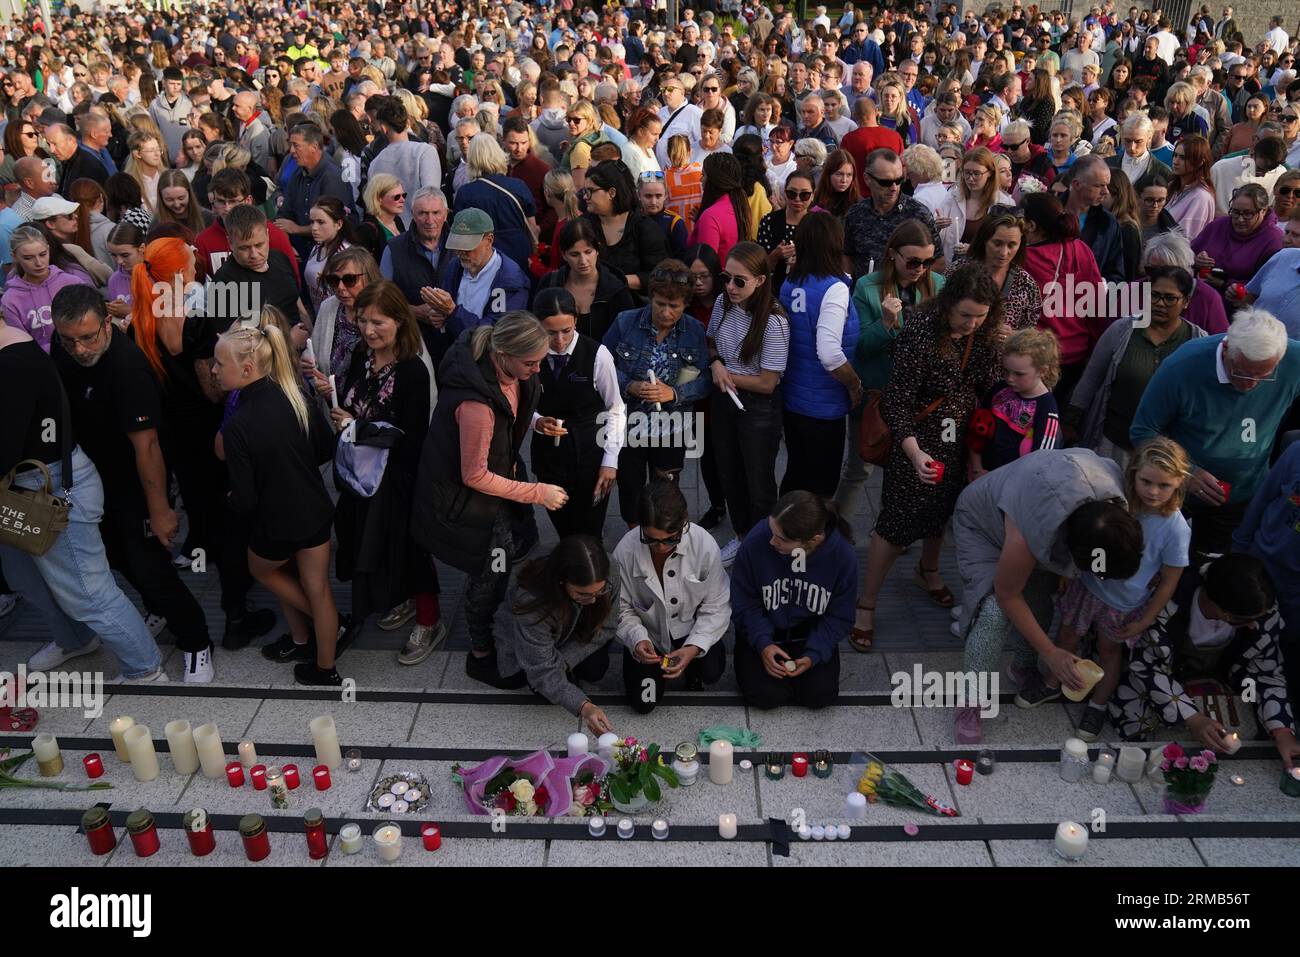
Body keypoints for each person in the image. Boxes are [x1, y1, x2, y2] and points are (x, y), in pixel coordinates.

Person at [48, 284, 216, 682]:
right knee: (117, 559)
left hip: (134, 485)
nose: (80, 349)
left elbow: (148, 447)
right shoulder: (64, 347)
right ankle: (156, 608)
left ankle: (196, 640)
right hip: (92, 480)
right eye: (70, 340)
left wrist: (160, 511)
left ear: (108, 323)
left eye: (88, 338)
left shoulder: (128, 368)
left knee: (151, 565)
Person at [0, 317, 166, 682]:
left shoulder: (14, 361)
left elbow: (6, 445)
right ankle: (75, 638)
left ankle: (145, 670)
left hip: (49, 488)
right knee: (28, 577)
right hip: (19, 488)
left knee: (87, 591)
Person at [854, 263, 1003, 653]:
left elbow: (984, 385)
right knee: (895, 523)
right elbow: (898, 403)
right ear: (948, 304)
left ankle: (929, 571)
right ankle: (866, 605)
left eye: (980, 316)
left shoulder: (985, 334)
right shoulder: (919, 330)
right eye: (965, 315)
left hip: (960, 440)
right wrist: (915, 451)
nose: (972, 323)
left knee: (941, 512)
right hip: (916, 441)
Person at [412, 313, 566, 689]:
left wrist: (535, 421)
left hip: (494, 484)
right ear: (503, 354)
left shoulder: (500, 370)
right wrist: (539, 493)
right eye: (530, 362)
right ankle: (480, 654)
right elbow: (475, 476)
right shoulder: (475, 406)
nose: (537, 368)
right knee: (489, 574)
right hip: (469, 500)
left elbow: (508, 408)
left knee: (501, 558)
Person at [952, 447, 1144, 743]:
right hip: (983, 525)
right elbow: (1008, 595)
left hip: (1040, 505)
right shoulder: (1030, 527)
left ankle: (1023, 666)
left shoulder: (1115, 497)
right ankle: (970, 702)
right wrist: (1052, 652)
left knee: (1041, 599)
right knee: (993, 613)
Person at [1018, 438, 1191, 741]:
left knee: (1108, 652)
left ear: (1179, 483)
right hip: (1087, 588)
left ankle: (1098, 705)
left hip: (1124, 604)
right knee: (1066, 636)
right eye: (1146, 481)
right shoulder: (1119, 500)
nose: (1153, 491)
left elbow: (1169, 580)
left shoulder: (1175, 528)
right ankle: (1050, 683)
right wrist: (1071, 574)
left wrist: (1146, 619)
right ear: (1133, 473)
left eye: (1164, 485)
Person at [312, 281, 443, 666]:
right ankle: (398, 599)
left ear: (400, 321)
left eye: (379, 322)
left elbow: (411, 437)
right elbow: (354, 402)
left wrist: (356, 425)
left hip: (398, 479)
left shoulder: (413, 371)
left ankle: (429, 620)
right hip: (361, 479)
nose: (369, 330)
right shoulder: (360, 356)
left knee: (411, 549)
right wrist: (333, 401)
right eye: (364, 321)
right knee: (377, 546)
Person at [215, 320, 343, 687]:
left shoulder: (239, 423)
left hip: (276, 522)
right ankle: (325, 667)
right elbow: (325, 449)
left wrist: (233, 497)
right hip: (316, 509)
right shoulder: (297, 395)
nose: (213, 370)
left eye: (219, 364)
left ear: (247, 368)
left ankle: (325, 627)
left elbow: (246, 499)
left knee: (264, 571)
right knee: (319, 589)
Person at [1131, 308, 1300, 561]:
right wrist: (1186, 472)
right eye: (1241, 372)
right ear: (1226, 349)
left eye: (1263, 376)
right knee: (1154, 556)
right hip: (1174, 493)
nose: (1250, 384)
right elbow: (1142, 430)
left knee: (1208, 564)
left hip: (1241, 495)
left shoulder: (1294, 359)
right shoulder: (1182, 367)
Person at [1111, 553, 1298, 765]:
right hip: (1163, 674)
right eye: (1242, 620)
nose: (1252, 626)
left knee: (1245, 722)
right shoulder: (1169, 603)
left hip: (1219, 677)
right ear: (1222, 611)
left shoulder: (1260, 612)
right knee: (1138, 716)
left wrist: (1282, 732)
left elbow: (1266, 674)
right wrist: (1193, 719)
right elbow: (1146, 666)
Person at [602, 261, 712, 526]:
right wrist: (629, 385)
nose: (665, 312)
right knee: (630, 489)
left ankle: (662, 537)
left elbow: (706, 380)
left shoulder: (695, 330)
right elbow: (601, 364)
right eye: (660, 303)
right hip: (629, 424)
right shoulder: (625, 322)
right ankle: (634, 538)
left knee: (666, 492)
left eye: (673, 306)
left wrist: (673, 393)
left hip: (671, 428)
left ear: (685, 305)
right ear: (650, 297)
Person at [1069, 265, 1207, 469]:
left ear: (1186, 301)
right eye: (1155, 295)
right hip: (1113, 443)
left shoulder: (1197, 342)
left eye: (1170, 298)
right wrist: (1071, 421)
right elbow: (1091, 378)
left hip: (1167, 455)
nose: (1160, 303)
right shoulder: (1122, 331)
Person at [731, 491, 858, 710]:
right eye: (771, 531)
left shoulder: (842, 556)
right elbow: (744, 603)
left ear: (814, 540)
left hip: (810, 633)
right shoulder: (757, 540)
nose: (771, 541)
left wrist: (814, 654)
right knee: (766, 696)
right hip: (763, 627)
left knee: (819, 696)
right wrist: (763, 643)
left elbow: (840, 616)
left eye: (782, 539)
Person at [612, 479, 731, 710]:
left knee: (711, 670)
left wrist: (693, 647)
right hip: (649, 635)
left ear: (684, 522)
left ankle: (694, 670)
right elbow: (619, 607)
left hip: (689, 630)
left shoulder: (705, 545)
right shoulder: (625, 551)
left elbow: (717, 604)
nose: (661, 547)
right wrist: (637, 639)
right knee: (643, 704)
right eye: (651, 539)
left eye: (671, 539)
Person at [707, 240, 789, 564]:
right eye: (726, 277)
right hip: (724, 402)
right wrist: (715, 363)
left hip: (757, 408)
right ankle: (742, 536)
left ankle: (763, 545)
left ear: (760, 281)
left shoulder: (774, 321)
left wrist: (728, 376)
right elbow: (712, 339)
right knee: (729, 475)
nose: (730, 286)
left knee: (759, 483)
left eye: (739, 281)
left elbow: (768, 383)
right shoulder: (722, 303)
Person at [529, 287, 624, 539]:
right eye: (550, 333)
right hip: (548, 457)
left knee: (590, 529)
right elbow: (517, 404)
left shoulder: (597, 355)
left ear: (576, 322)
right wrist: (537, 422)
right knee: (563, 528)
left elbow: (616, 408)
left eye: (566, 331)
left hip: (591, 455)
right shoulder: (527, 355)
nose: (559, 341)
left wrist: (610, 462)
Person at [778, 211, 862, 499]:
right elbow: (829, 353)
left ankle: (782, 533)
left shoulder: (791, 283)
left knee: (797, 472)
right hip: (824, 406)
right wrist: (854, 384)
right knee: (821, 485)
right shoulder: (834, 289)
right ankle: (805, 538)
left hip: (793, 399)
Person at [500, 534, 619, 733]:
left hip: (572, 634)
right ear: (562, 581)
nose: (592, 600)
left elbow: (608, 626)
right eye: (583, 593)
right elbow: (541, 669)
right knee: (540, 687)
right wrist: (584, 706)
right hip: (533, 643)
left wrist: (562, 661)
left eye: (600, 592)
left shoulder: (611, 569)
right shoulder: (531, 601)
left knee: (595, 668)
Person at [1020, 192, 1105, 403]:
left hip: (1037, 353)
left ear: (1031, 225)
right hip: (1076, 351)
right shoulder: (1080, 248)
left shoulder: (1026, 258)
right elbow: (1096, 304)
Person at [973, 328, 1063, 477]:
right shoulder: (1000, 389)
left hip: (1010, 483)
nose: (1010, 378)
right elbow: (976, 429)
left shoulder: (1047, 409)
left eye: (1019, 374)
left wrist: (995, 479)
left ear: (1042, 371)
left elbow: (1041, 461)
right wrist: (976, 467)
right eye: (1006, 371)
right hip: (979, 473)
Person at [843, 148, 939, 281]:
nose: (894, 187)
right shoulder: (856, 214)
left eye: (899, 180)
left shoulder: (918, 214)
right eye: (885, 182)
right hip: (864, 297)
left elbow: (938, 261)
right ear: (867, 179)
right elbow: (847, 257)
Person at [453, 132, 539, 278]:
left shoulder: (465, 193)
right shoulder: (518, 186)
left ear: (472, 159)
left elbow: (462, 237)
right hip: (519, 251)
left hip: (485, 257)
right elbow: (533, 227)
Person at [582, 160, 670, 300]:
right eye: (584, 191)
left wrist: (617, 281)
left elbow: (659, 275)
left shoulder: (644, 228)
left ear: (611, 193)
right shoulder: (584, 226)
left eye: (590, 191)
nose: (585, 196)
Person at [210, 205, 306, 330]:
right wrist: (290, 341)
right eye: (244, 248)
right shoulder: (222, 284)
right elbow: (229, 343)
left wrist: (309, 328)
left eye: (259, 245)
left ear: (267, 234)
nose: (254, 255)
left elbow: (296, 301)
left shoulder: (279, 258)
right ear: (230, 243)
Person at [1192, 183, 1284, 308]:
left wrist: (1226, 284)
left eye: (1247, 214)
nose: (1240, 219)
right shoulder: (1218, 225)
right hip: (1199, 298)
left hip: (1238, 309)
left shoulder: (1273, 239)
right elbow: (1188, 254)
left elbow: (1267, 285)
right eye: (1235, 212)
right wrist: (1196, 260)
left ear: (1263, 211)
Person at [2, 225, 91, 353]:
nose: (38, 263)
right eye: (28, 258)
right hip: (41, 364)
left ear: (49, 249)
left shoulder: (72, 282)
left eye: (43, 254)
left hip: (80, 356)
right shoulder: (11, 299)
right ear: (14, 256)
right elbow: (20, 346)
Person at [276, 122, 353, 261]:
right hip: (301, 251)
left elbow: (334, 224)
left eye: (296, 145)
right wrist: (287, 244)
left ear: (314, 147)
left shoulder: (332, 177)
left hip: (331, 256)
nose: (291, 151)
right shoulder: (298, 174)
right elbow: (283, 216)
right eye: (290, 145)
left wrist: (297, 229)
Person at [935, 147, 1014, 263]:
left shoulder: (1004, 203)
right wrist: (937, 226)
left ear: (990, 173)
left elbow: (1008, 245)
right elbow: (936, 235)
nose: (970, 178)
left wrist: (974, 249)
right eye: (966, 172)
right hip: (953, 269)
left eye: (977, 173)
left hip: (986, 270)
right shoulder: (952, 196)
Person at [302, 196, 353, 313]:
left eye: (321, 222)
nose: (314, 228)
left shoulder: (346, 255)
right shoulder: (317, 247)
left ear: (338, 224)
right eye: (312, 222)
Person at [1165, 134, 1217, 244]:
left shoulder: (1201, 197)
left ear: (1199, 162)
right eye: (1175, 155)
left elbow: (1186, 238)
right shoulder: (1174, 187)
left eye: (1183, 158)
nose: (1175, 161)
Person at [636, 171, 689, 259]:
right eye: (648, 196)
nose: (653, 202)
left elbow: (683, 259)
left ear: (666, 195)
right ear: (639, 195)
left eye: (658, 196)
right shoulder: (632, 219)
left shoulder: (675, 222)